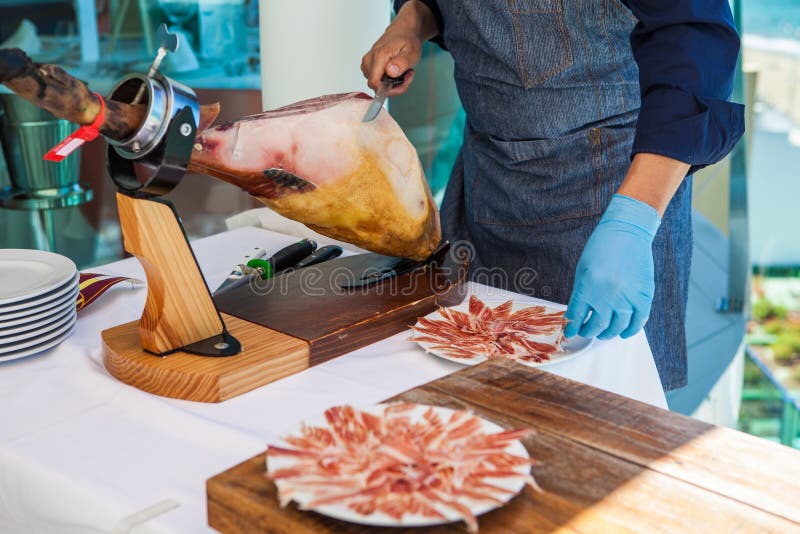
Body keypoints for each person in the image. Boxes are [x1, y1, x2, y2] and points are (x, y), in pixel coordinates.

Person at [362, 0, 744, 392]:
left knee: (592, 409)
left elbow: (695, 39)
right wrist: (411, 22)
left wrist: (634, 219)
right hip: (488, 182)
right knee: (474, 397)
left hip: (611, 188)